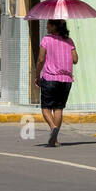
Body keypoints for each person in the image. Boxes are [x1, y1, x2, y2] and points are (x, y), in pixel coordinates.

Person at [33, 19, 78, 147]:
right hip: (66, 80)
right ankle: (56, 140)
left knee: (45, 108)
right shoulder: (69, 41)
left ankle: (53, 128)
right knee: (58, 108)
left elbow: (41, 59)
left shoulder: (46, 39)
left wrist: (37, 75)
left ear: (54, 27)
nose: (47, 26)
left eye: (49, 24)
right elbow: (75, 59)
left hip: (50, 78)